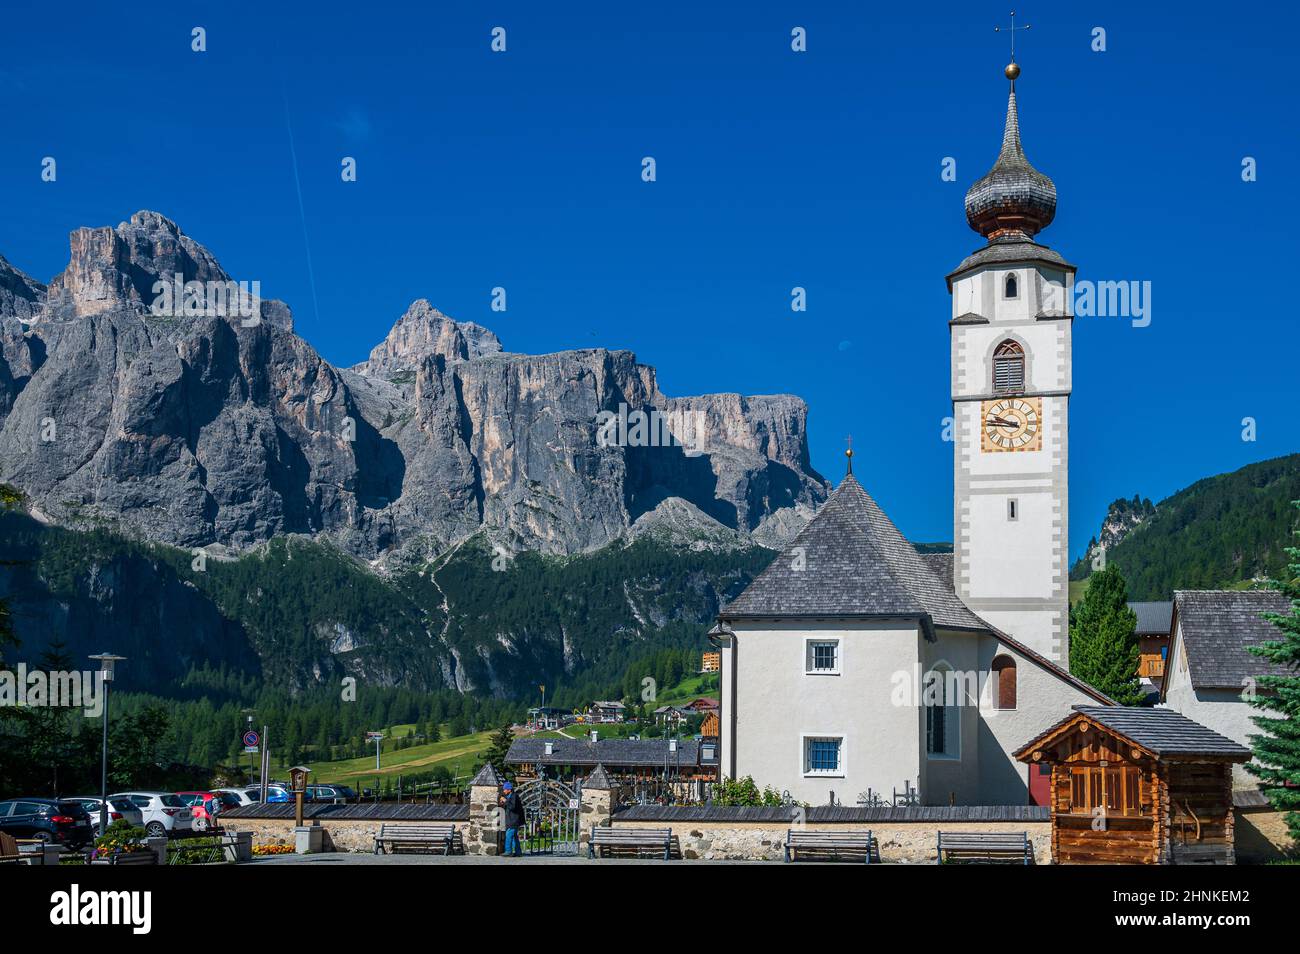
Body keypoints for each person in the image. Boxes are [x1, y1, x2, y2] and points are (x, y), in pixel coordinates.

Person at [500, 781, 524, 857]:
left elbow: (512, 807)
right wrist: (503, 802)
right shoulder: (510, 796)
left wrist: (505, 801)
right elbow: (508, 807)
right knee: (514, 837)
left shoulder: (514, 796)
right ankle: (518, 852)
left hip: (513, 820)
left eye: (505, 789)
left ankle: (508, 851)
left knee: (509, 835)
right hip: (511, 820)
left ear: (509, 790)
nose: (503, 791)